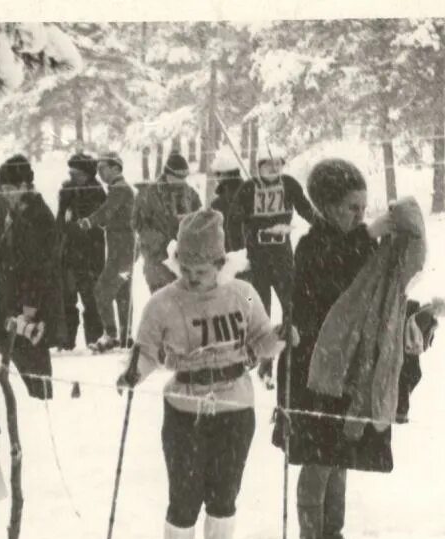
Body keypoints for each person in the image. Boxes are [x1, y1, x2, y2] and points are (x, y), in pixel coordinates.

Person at [116, 209, 288, 539]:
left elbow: (262, 339)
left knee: (224, 495)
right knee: (185, 495)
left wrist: (279, 338)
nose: (192, 278)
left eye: (201, 271)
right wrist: (133, 374)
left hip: (235, 408)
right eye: (185, 269)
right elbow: (145, 354)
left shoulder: (242, 294)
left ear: (220, 263)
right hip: (184, 410)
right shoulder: (162, 303)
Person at [275, 159, 397, 539]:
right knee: (319, 454)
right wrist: (367, 234)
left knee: (340, 451)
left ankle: (333, 534)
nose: (359, 217)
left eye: (363, 209)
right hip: (314, 365)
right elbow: (328, 276)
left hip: (345, 365)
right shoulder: (314, 245)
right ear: (326, 208)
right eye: (350, 209)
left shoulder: (362, 242)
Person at [232, 153, 317, 380]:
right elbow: (233, 220)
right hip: (257, 257)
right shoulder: (248, 189)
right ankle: (262, 357)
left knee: (291, 304)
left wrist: (323, 227)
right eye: (268, 165)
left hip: (282, 257)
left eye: (278, 164)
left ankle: (294, 353)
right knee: (257, 306)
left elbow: (305, 208)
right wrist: (238, 250)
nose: (274, 168)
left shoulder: (288, 184)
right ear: (259, 166)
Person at [0, 155, 61, 400]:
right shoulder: (20, 212)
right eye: (3, 189)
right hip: (15, 297)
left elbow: (38, 268)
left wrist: (28, 310)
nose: (5, 194)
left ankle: (42, 402)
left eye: (9, 189)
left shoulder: (36, 216)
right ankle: (38, 399)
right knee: (14, 349)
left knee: (29, 352)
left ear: (24, 186)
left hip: (29, 302)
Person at [78, 151, 136, 352]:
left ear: (116, 168)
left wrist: (89, 221)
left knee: (101, 290)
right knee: (122, 293)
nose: (99, 173)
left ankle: (111, 335)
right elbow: (116, 216)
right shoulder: (122, 189)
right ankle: (126, 335)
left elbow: (106, 211)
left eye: (103, 168)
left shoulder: (119, 189)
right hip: (126, 250)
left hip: (121, 252)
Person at [56, 152, 106, 350]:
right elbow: (60, 222)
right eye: (70, 173)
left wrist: (71, 226)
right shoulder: (67, 192)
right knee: (67, 300)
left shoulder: (96, 193)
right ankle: (66, 341)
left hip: (89, 257)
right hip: (68, 256)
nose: (72, 176)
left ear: (86, 174)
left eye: (76, 173)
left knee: (91, 301)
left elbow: (93, 225)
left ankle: (93, 340)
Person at [133, 152, 202, 295]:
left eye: (184, 178)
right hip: (158, 261)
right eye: (178, 177)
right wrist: (161, 242)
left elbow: (199, 220)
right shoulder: (148, 194)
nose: (182, 181)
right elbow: (138, 225)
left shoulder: (190, 194)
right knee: (163, 305)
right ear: (168, 175)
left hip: (184, 261)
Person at [208, 147, 249, 279]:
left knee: (237, 295)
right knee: (249, 295)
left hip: (228, 260)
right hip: (251, 257)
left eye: (217, 174)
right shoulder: (251, 195)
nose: (216, 178)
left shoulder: (217, 204)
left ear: (223, 175)